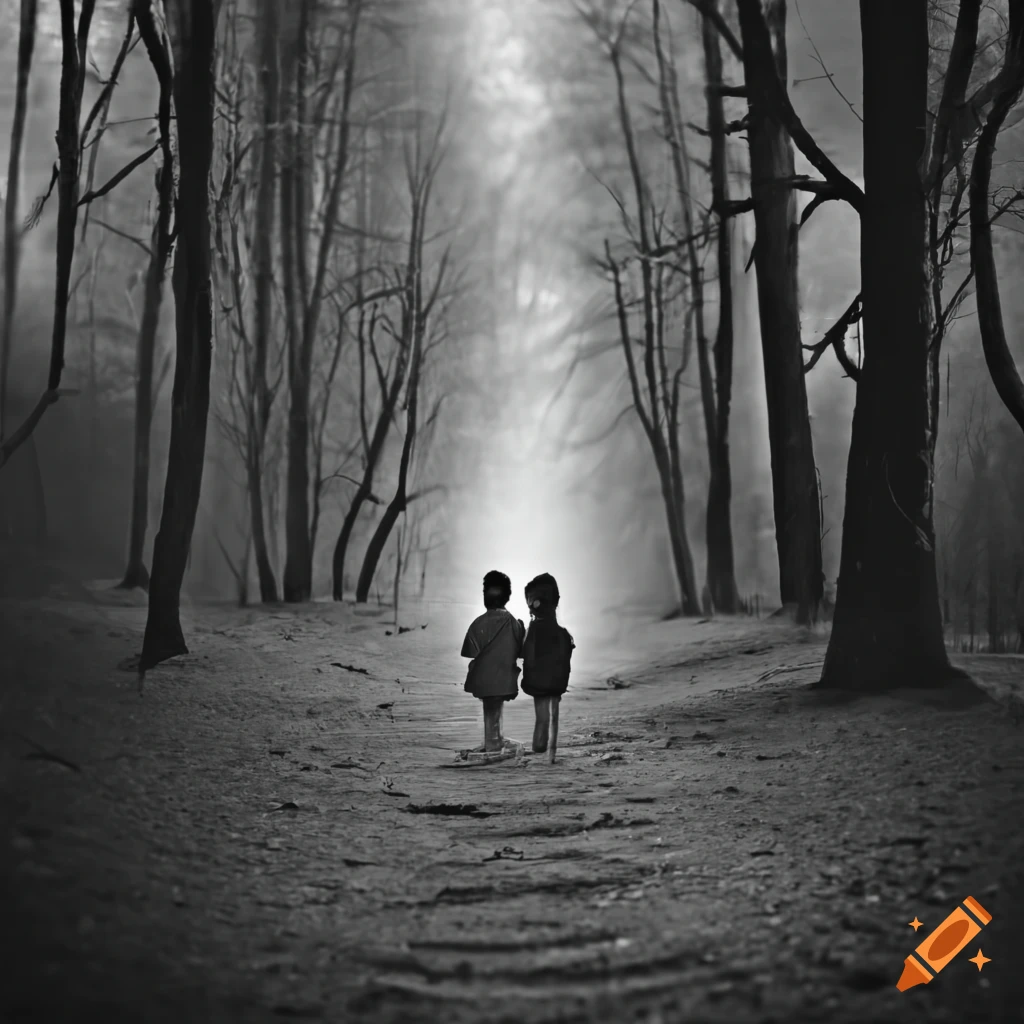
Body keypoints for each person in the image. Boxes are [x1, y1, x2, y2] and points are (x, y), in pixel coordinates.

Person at [461, 570, 526, 753]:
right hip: (505, 678)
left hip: (482, 680)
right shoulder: (514, 623)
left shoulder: (477, 624)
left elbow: (469, 651)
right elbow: (521, 652)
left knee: (490, 708)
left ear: (485, 596)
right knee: (495, 708)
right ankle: (494, 740)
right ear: (508, 596)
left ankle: (493, 740)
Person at [521, 573, 575, 763]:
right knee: (553, 715)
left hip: (538, 682)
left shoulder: (532, 631)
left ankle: (540, 746)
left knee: (542, 716)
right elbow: (565, 657)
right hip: (556, 681)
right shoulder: (562, 634)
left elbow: (526, 654)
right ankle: (549, 750)